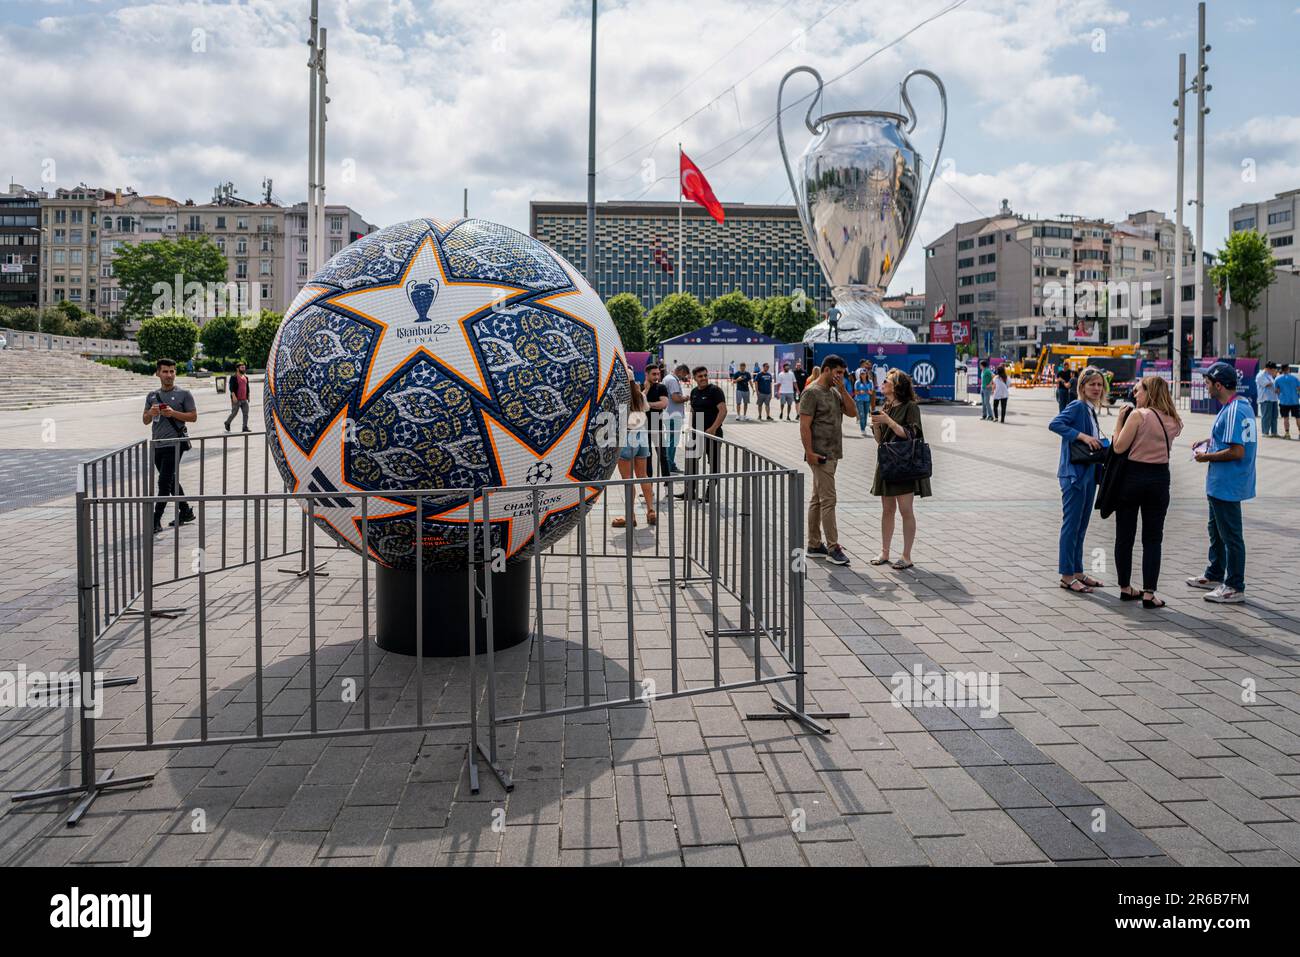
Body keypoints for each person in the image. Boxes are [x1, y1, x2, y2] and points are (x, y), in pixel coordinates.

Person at [1110, 375, 1184, 609]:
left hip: (1132, 478)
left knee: (1125, 536)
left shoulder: (1138, 415)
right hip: (1159, 479)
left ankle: (1125, 587)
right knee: (1153, 538)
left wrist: (1119, 420)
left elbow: (1118, 446)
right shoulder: (1174, 420)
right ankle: (1149, 594)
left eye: (1138, 390)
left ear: (1149, 392)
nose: (1135, 394)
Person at [1187, 361, 1256, 604]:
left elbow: (1238, 451)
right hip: (1220, 483)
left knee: (1231, 536)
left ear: (1218, 384)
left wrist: (1207, 456)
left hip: (1228, 483)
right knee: (1216, 531)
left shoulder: (1235, 409)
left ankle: (1235, 585)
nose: (1205, 387)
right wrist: (1209, 441)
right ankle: (1215, 573)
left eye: (1207, 383)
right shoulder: (1236, 406)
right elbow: (1229, 438)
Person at [1049, 366, 1108, 593]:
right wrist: (1081, 436)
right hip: (1074, 474)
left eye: (1099, 384)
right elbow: (1055, 424)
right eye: (1091, 384)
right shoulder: (1077, 406)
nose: (1096, 388)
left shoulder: (1091, 410)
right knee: (1071, 526)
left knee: (1081, 526)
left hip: (1088, 473)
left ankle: (1077, 571)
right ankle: (1066, 575)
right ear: (1081, 386)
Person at [869, 369, 930, 570]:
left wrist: (888, 421)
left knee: (905, 510)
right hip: (887, 463)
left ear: (896, 386)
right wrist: (877, 426)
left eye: (887, 380)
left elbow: (912, 435)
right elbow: (880, 441)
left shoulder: (910, 407)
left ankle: (906, 555)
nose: (883, 382)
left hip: (904, 464)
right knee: (887, 510)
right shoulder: (886, 406)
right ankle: (885, 552)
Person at [799, 355, 855, 566]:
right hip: (820, 455)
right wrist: (810, 452)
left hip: (832, 453)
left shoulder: (834, 391)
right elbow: (804, 425)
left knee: (817, 499)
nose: (840, 376)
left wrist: (842, 390)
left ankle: (814, 544)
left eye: (842, 373)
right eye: (837, 372)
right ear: (826, 370)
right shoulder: (812, 392)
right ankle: (833, 546)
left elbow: (852, 412)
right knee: (829, 500)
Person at [143, 358, 198, 534]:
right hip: (157, 444)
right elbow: (145, 420)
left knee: (164, 482)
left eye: (172, 371)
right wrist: (150, 413)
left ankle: (155, 519)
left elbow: (193, 416)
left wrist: (173, 413)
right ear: (158, 373)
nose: (169, 375)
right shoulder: (152, 396)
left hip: (176, 443)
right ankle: (186, 511)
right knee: (171, 479)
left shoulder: (184, 394)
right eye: (165, 371)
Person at [612, 373, 655, 527]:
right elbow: (646, 410)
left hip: (626, 439)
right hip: (642, 437)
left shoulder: (618, 397)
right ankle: (651, 510)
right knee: (643, 475)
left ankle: (631, 516)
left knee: (628, 480)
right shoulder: (640, 396)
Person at [678, 366, 726, 501]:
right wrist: (690, 427)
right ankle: (689, 491)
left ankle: (709, 493)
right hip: (696, 433)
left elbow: (723, 411)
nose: (704, 378)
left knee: (713, 463)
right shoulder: (694, 392)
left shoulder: (715, 391)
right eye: (700, 376)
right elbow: (693, 410)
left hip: (712, 433)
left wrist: (713, 428)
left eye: (705, 375)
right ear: (694, 378)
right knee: (691, 462)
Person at [644, 363, 670, 477]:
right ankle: (648, 486)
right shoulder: (641, 387)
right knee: (646, 455)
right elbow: (637, 404)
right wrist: (646, 389)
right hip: (643, 424)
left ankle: (666, 483)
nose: (656, 377)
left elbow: (664, 404)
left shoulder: (661, 387)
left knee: (662, 454)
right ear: (647, 374)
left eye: (658, 374)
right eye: (654, 374)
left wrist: (647, 405)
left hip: (655, 421)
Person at [663, 364, 688, 473]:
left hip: (669, 414)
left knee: (670, 440)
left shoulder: (667, 378)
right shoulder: (672, 380)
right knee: (672, 442)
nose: (684, 377)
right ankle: (669, 466)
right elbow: (675, 398)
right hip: (673, 415)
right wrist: (686, 398)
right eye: (684, 374)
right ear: (680, 371)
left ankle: (670, 464)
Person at [224, 361, 252, 432]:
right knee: (234, 413)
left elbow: (247, 387)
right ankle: (227, 422)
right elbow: (231, 388)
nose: (243, 369)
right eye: (242, 368)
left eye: (244, 368)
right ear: (237, 369)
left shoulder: (246, 377)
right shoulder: (234, 377)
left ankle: (245, 427)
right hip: (236, 399)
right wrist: (233, 396)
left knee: (246, 414)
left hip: (244, 399)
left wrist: (248, 395)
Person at [1256, 361, 1280, 438]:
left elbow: (1274, 385)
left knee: (1274, 416)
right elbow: (1268, 385)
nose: (1274, 371)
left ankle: (1274, 432)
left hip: (1273, 398)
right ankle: (1265, 432)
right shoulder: (1261, 375)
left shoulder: (1270, 375)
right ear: (1268, 368)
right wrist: (1276, 378)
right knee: (1266, 416)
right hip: (1265, 398)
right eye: (1273, 370)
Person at [1276, 364, 1300, 439]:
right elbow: (1299, 388)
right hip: (1294, 401)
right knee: (1298, 417)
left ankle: (1287, 434)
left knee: (1286, 418)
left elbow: (1276, 390)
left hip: (1284, 401)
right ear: (1288, 369)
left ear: (1282, 370)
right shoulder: (1294, 378)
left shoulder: (1278, 379)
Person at [852, 368, 874, 435]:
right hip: (859, 400)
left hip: (867, 400)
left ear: (866, 374)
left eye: (864, 374)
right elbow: (855, 392)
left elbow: (871, 392)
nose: (863, 375)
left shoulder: (870, 382)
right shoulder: (857, 382)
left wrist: (868, 391)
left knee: (866, 415)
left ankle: (863, 427)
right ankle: (863, 429)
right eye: (861, 374)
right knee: (862, 415)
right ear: (860, 375)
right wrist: (859, 392)